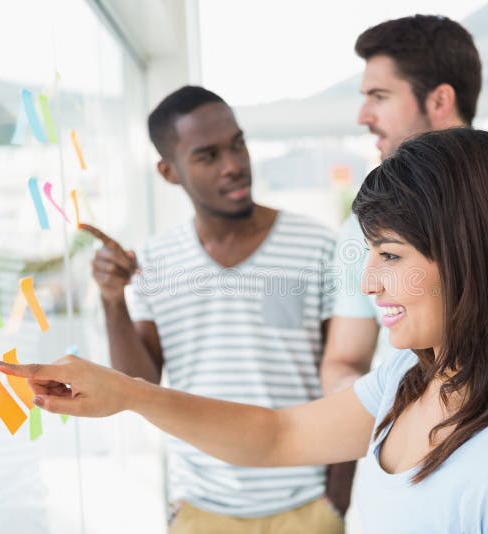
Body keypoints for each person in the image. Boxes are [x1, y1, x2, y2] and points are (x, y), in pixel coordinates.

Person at [0, 129, 488, 533]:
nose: (369, 284)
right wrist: (128, 395)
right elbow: (278, 435)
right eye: (369, 254)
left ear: (474, 258)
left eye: (391, 257)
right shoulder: (413, 374)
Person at [79, 85, 346, 533]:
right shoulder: (155, 262)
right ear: (169, 172)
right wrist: (113, 301)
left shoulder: (317, 245)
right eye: (208, 156)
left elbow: (343, 378)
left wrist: (337, 502)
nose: (234, 166)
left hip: (306, 506)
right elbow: (140, 386)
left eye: (237, 144)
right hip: (201, 510)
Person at [322, 14, 482, 395]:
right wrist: (396, 402)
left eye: (380, 96)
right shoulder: (362, 225)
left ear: (440, 100)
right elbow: (342, 363)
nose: (364, 116)